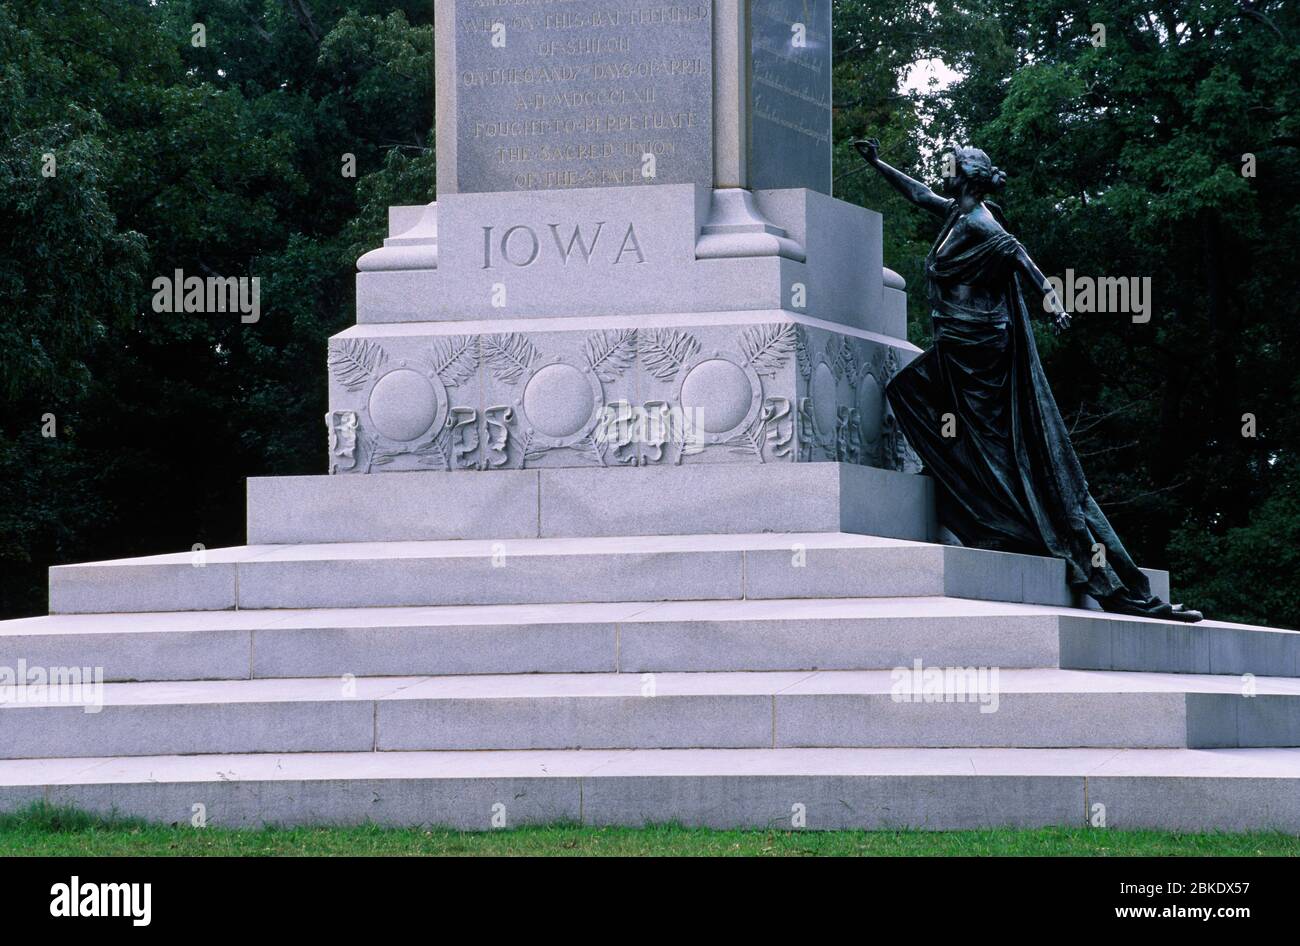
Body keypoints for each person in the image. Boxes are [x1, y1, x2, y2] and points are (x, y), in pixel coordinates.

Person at [855, 138, 1201, 621]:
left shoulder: (980, 220)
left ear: (967, 177)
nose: (945, 175)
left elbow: (1020, 257)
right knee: (921, 399)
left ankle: (1010, 520)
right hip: (959, 341)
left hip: (980, 348)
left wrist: (1052, 299)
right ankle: (972, 501)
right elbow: (918, 196)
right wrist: (878, 163)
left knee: (985, 438)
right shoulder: (958, 212)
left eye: (951, 169)